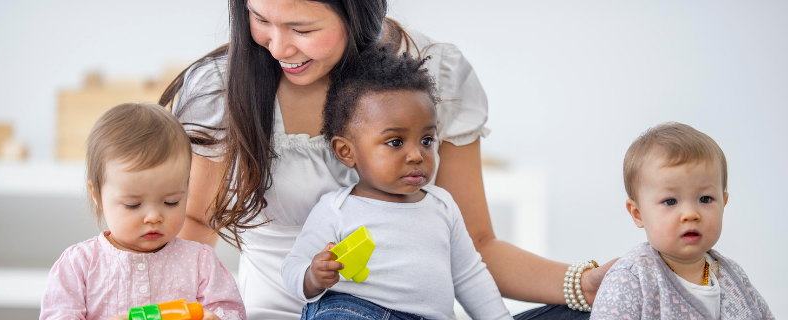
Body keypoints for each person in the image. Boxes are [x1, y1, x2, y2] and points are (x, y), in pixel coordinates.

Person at [160, 0, 614, 318]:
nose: (277, 47)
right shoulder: (223, 88)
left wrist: (582, 283)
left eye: (302, 29)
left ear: (356, 10)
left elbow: (473, 248)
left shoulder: (431, 71)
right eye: (259, 18)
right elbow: (196, 226)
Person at [281, 47, 512, 320]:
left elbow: (469, 276)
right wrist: (313, 276)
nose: (416, 155)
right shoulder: (337, 208)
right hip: (354, 311)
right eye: (395, 142)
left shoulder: (442, 206)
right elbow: (292, 268)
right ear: (346, 151)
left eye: (427, 140)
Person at [39, 103, 246, 320]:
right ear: (97, 195)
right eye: (133, 205)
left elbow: (232, 311)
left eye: (171, 202)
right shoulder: (79, 265)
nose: (154, 217)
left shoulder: (200, 262)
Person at [591, 123, 774, 319]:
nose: (690, 214)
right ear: (638, 214)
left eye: (705, 199)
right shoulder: (630, 280)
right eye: (670, 201)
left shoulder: (733, 276)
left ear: (724, 204)